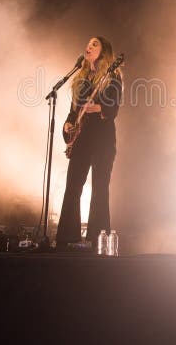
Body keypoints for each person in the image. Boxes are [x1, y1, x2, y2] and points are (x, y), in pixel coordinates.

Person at [55, 36, 122, 250]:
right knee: (73, 186)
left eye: (95, 44)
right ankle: (67, 237)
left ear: (103, 52)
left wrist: (101, 109)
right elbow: (73, 112)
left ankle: (97, 238)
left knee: (100, 188)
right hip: (82, 138)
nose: (89, 46)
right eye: (89, 43)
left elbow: (114, 108)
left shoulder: (113, 76)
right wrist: (67, 126)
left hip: (102, 138)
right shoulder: (80, 79)